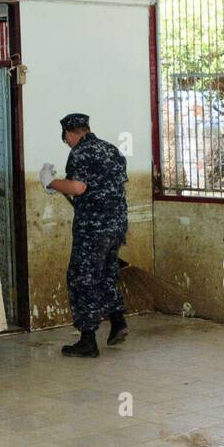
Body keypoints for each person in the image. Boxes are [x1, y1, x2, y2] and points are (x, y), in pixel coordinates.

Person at [39, 113, 129, 357]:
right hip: (117, 224)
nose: (67, 143)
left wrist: (51, 183)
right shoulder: (111, 150)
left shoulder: (80, 152)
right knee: (108, 271)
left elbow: (78, 187)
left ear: (70, 134)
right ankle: (118, 321)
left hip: (93, 228)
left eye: (66, 139)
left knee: (82, 277)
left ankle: (88, 339)